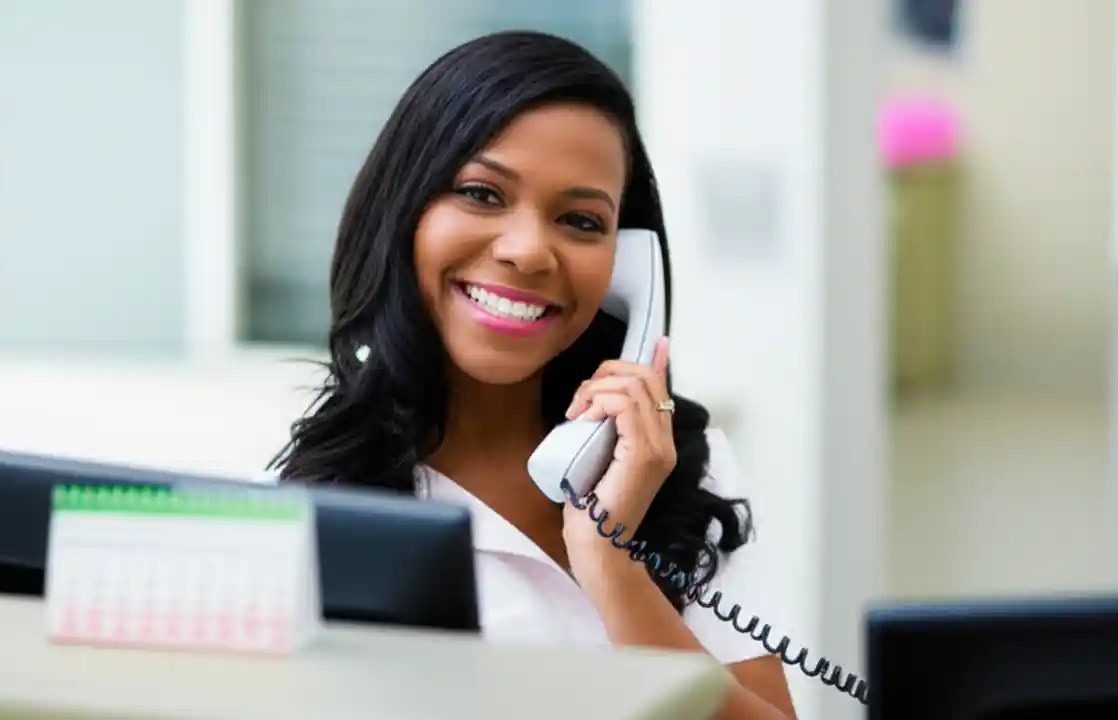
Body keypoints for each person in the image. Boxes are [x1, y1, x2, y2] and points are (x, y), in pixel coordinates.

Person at [270, 31, 796, 719]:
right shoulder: (322, 504)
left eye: (581, 220)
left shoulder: (681, 469)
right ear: (404, 214)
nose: (527, 251)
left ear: (627, 265)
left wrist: (612, 566)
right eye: (482, 194)